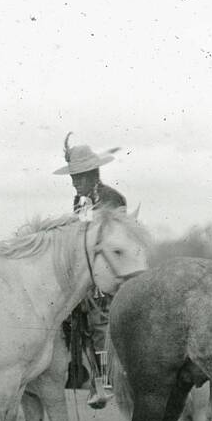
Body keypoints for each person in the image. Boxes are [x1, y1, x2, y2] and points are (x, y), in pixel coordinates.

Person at [54, 134, 126, 407]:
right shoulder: (78, 201)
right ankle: (86, 376)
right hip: (87, 272)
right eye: (73, 178)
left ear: (92, 174)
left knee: (99, 325)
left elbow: (113, 239)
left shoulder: (113, 198)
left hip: (109, 270)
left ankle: (106, 380)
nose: (75, 182)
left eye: (79, 177)